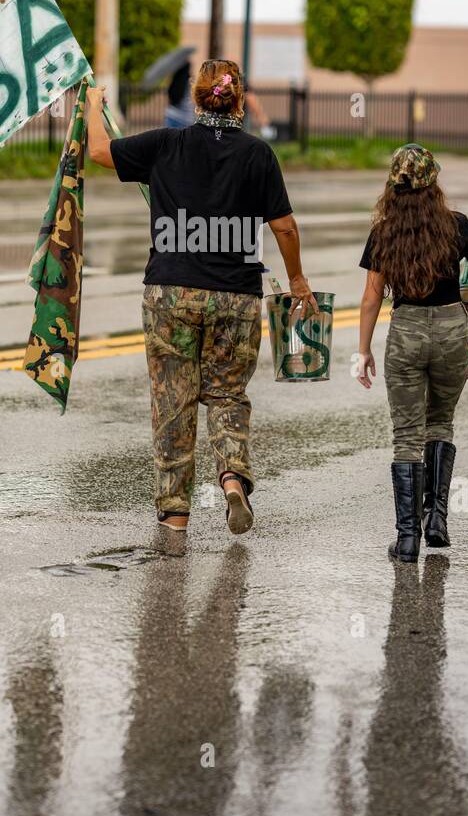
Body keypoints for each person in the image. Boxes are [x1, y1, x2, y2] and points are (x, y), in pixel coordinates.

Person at [86, 59, 317, 535]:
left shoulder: (164, 145)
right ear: (238, 99)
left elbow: (98, 152)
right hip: (236, 295)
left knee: (174, 402)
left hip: (170, 292)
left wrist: (93, 105)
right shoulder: (258, 155)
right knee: (228, 394)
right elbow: (285, 226)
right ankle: (232, 479)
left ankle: (175, 515)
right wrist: (297, 282)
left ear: (196, 98)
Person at [355, 144, 468, 563]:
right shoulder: (455, 226)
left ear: (393, 184)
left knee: (406, 435)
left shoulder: (383, 230)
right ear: (433, 182)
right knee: (440, 421)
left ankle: (407, 540)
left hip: (405, 332)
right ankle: (436, 519)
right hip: (451, 332)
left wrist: (363, 351)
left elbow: (372, 298)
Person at [164, 62, 195, 129]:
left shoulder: (175, 81)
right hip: (185, 119)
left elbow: (171, 96)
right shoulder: (189, 82)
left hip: (172, 115)